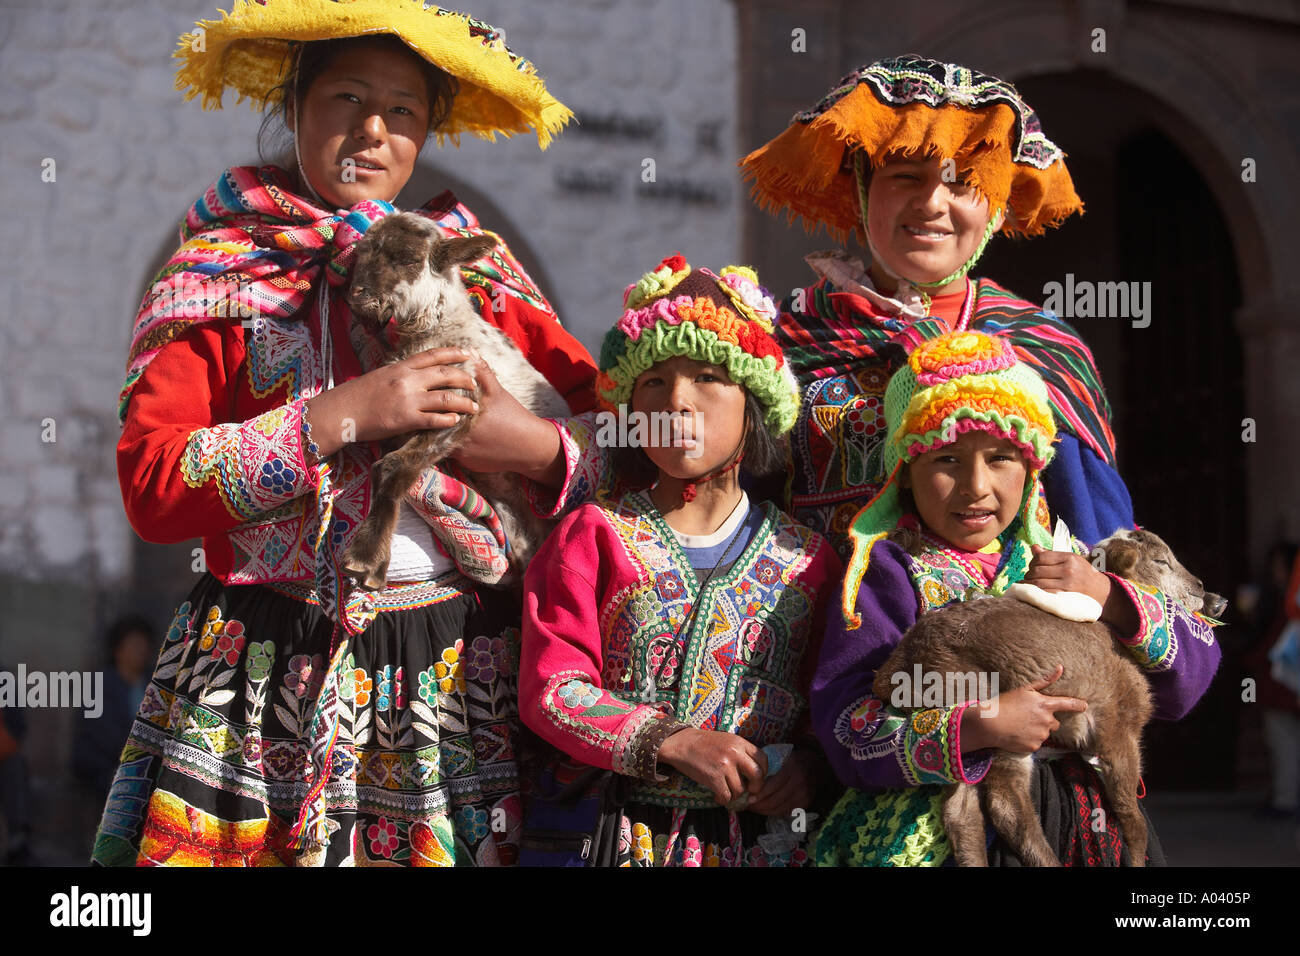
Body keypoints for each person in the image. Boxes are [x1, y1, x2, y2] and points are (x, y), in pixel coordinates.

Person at [95, 1, 594, 867]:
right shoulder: (217, 274)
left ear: (425, 131)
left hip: (452, 678)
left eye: (402, 110)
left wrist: (529, 445)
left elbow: (629, 452)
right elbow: (153, 484)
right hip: (252, 673)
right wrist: (350, 412)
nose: (372, 130)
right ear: (294, 106)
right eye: (346, 100)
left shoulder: (480, 271)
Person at [810, 330, 1222, 865]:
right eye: (946, 461)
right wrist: (977, 724)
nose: (975, 486)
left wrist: (1113, 600)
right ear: (905, 474)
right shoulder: (886, 578)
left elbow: (1186, 683)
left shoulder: (1075, 558)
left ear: (1032, 469)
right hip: (951, 830)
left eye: (1001, 457)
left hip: (1083, 823)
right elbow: (846, 726)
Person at [519, 257, 841, 866]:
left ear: (756, 402)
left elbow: (829, 705)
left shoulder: (809, 561)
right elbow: (551, 690)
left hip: (762, 845)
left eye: (708, 377)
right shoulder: (594, 535)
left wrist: (807, 769)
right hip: (614, 836)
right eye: (654, 383)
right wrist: (672, 741)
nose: (678, 403)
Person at [739, 55, 1132, 551]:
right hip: (817, 621)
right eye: (904, 176)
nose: (931, 203)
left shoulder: (1043, 349)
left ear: (995, 204)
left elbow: (1097, 534)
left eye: (963, 182)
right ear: (863, 190)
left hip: (994, 624)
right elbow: (728, 510)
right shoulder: (784, 340)